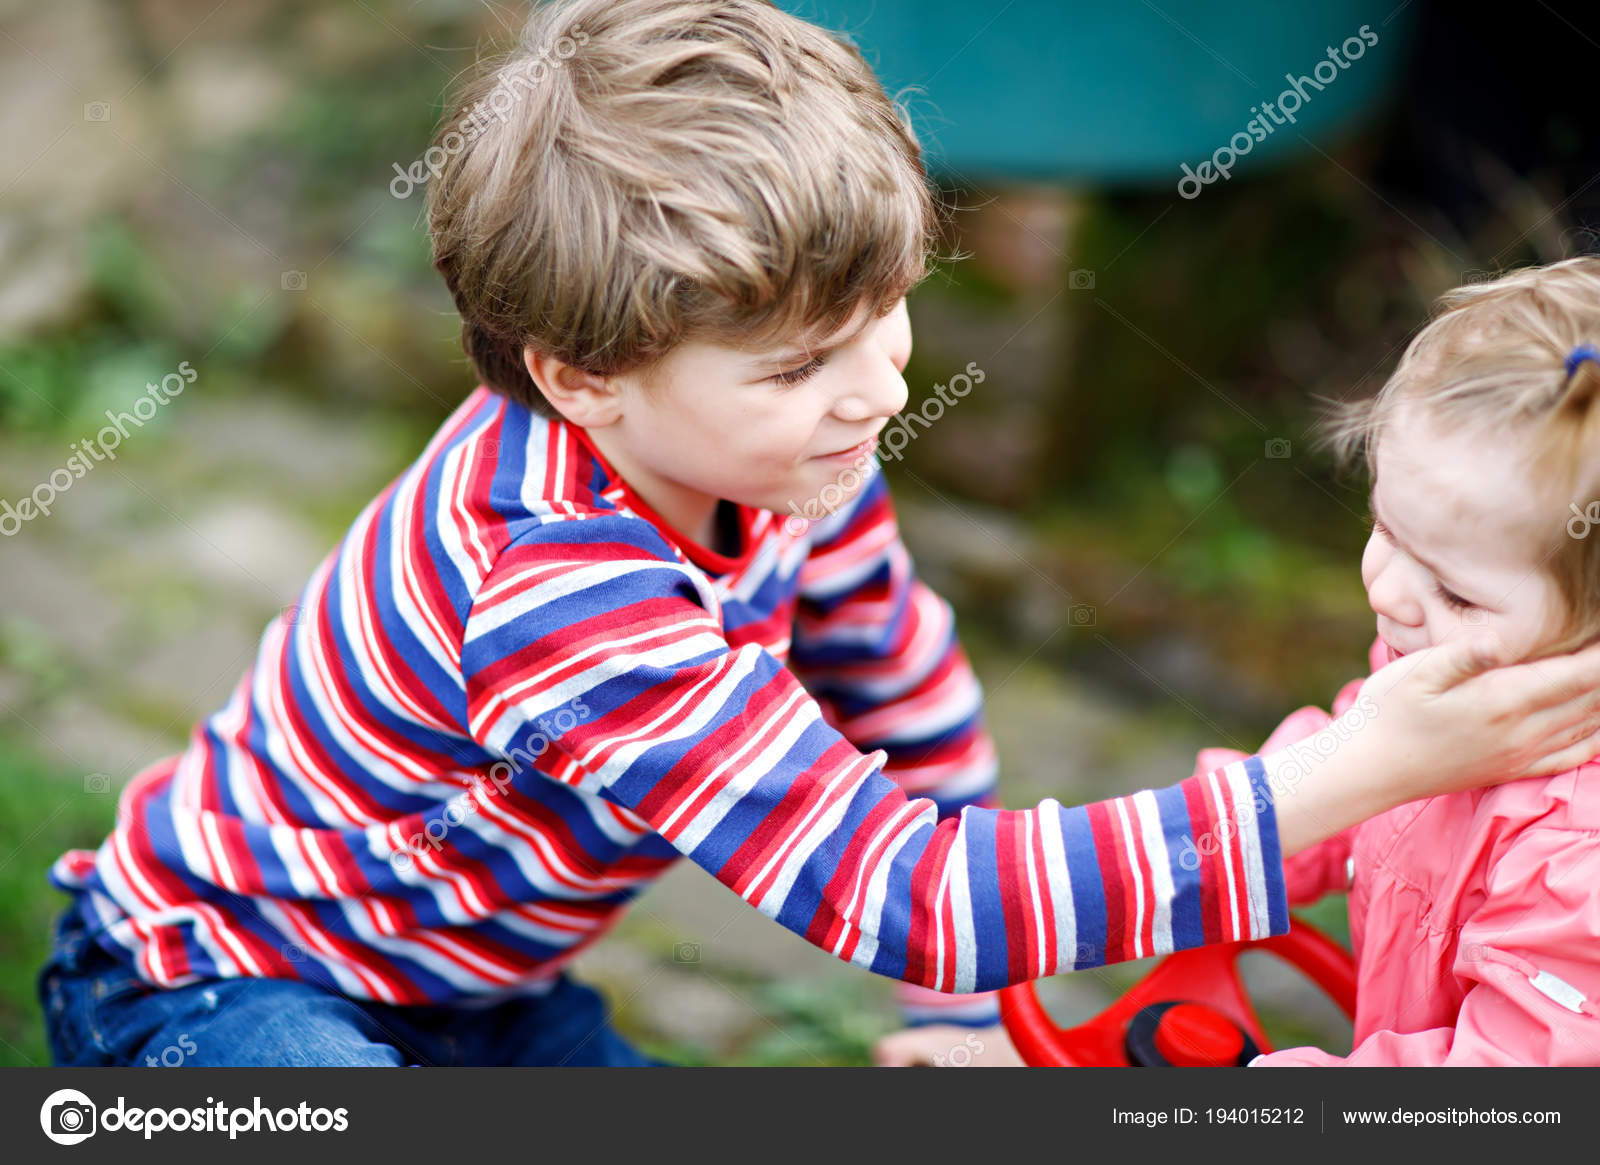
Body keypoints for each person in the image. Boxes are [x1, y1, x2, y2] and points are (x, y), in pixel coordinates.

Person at [37, 0, 1600, 1068]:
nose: (876, 392)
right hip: (222, 986)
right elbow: (911, 886)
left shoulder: (787, 461)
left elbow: (907, 698)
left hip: (474, 986)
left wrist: (971, 1014)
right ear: (585, 378)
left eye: (888, 313)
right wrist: (1340, 779)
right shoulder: (558, 598)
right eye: (798, 364)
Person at [1197, 259, 1600, 1065]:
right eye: (1384, 526)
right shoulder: (1442, 669)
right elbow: (1349, 770)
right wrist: (1202, 846)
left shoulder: (1577, 858)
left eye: (1455, 591)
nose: (1385, 589)